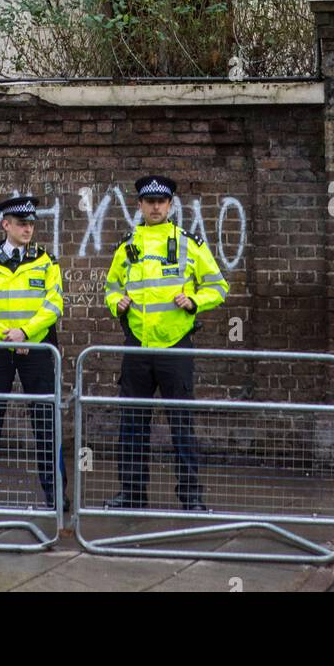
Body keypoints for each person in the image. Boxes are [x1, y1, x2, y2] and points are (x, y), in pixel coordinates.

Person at [103, 174, 229, 511]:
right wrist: (116, 302)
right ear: (140, 205)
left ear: (170, 205)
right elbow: (111, 286)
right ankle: (131, 494)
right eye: (149, 202)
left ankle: (191, 497)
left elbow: (218, 286)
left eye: (161, 202)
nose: (155, 207)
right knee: (132, 427)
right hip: (137, 346)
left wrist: (195, 301)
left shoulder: (190, 243)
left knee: (182, 426)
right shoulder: (128, 245)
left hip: (175, 346)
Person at [0, 194, 67, 510]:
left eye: (31, 224)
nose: (28, 229)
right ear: (6, 225)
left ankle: (56, 495)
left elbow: (54, 305)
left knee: (46, 423)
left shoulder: (46, 261)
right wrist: (9, 336)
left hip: (35, 349)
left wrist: (26, 333)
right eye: (22, 224)